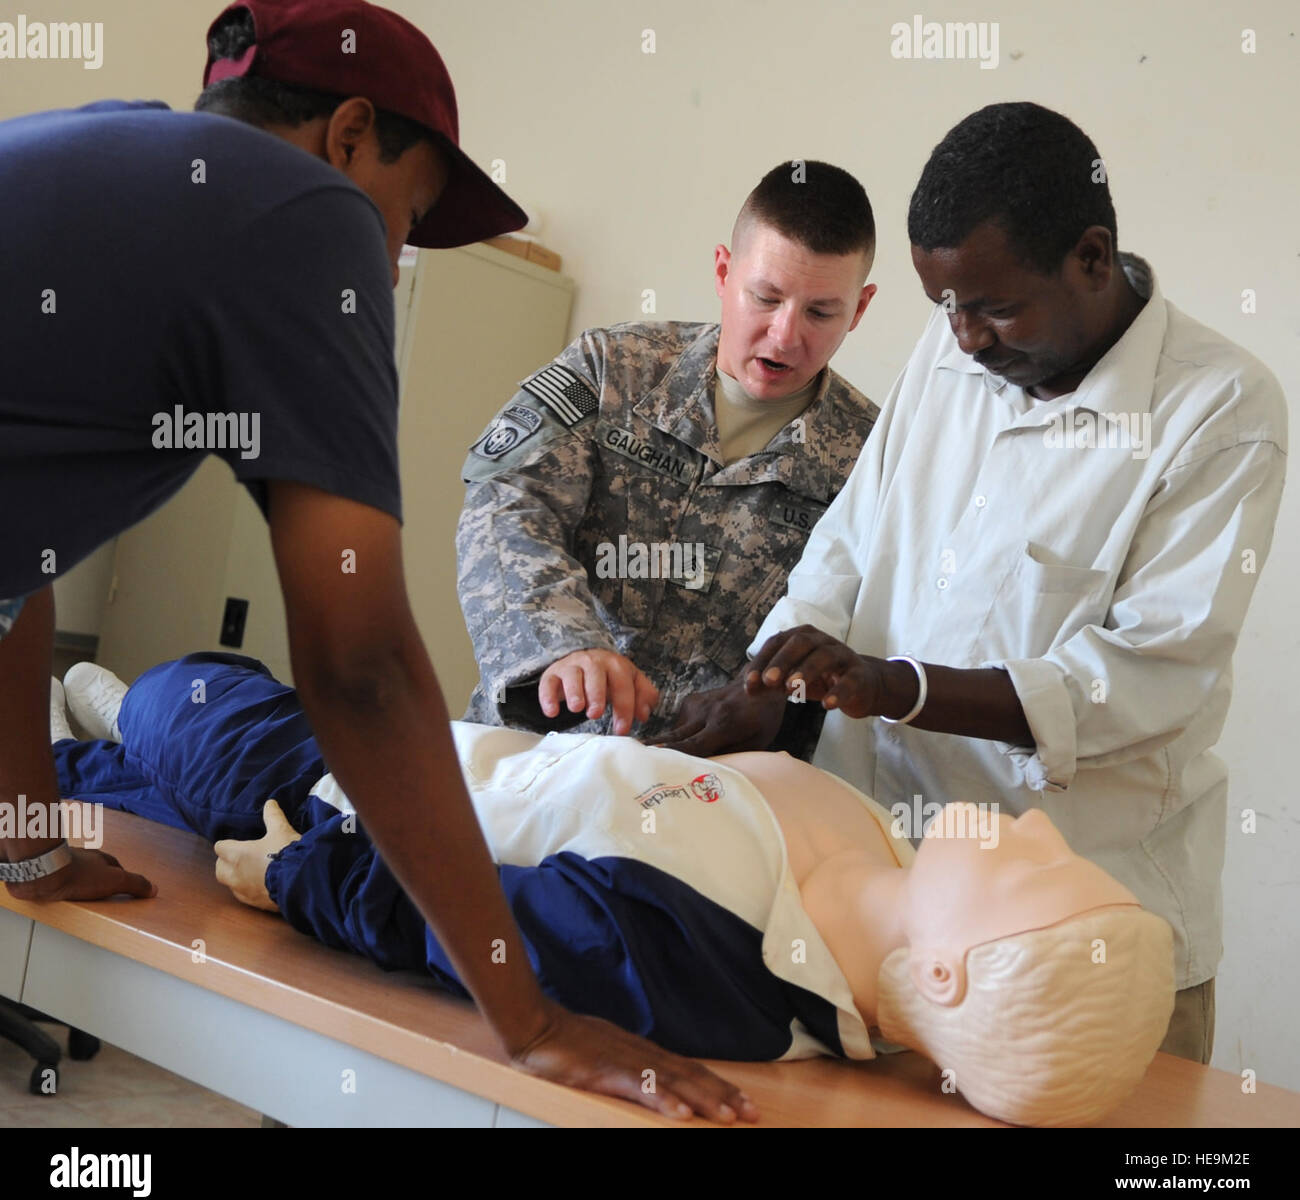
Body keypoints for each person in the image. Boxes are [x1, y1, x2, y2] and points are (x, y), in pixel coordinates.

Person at [0, 0, 750, 1121]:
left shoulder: (101, 153)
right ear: (348, 133)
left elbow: (20, 561)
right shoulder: (301, 212)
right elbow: (361, 665)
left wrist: (26, 841)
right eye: (408, 214)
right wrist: (531, 1020)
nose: (391, 259)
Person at [648, 102, 1288, 1066]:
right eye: (944, 306)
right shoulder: (949, 355)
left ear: (1091, 255)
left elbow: (1149, 676)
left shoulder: (1219, 409)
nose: (966, 339)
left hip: (1081, 934)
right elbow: (852, 542)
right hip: (883, 900)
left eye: (993, 307)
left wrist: (898, 686)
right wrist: (772, 685)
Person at [52, 655, 1173, 1127]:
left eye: (1032, 866)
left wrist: (299, 872)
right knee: (137, 774)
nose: (1031, 824)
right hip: (430, 742)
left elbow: (463, 936)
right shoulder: (877, 844)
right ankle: (93, 746)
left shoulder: (707, 966)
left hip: (322, 794)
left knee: (182, 692)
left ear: (943, 970)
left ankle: (104, 716)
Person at [456, 161, 879, 741]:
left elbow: (856, 643)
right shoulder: (612, 369)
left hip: (708, 786)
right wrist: (565, 645)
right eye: (765, 297)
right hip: (540, 743)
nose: (785, 335)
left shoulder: (871, 458)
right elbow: (507, 504)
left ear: (858, 310)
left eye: (820, 312)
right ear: (724, 273)